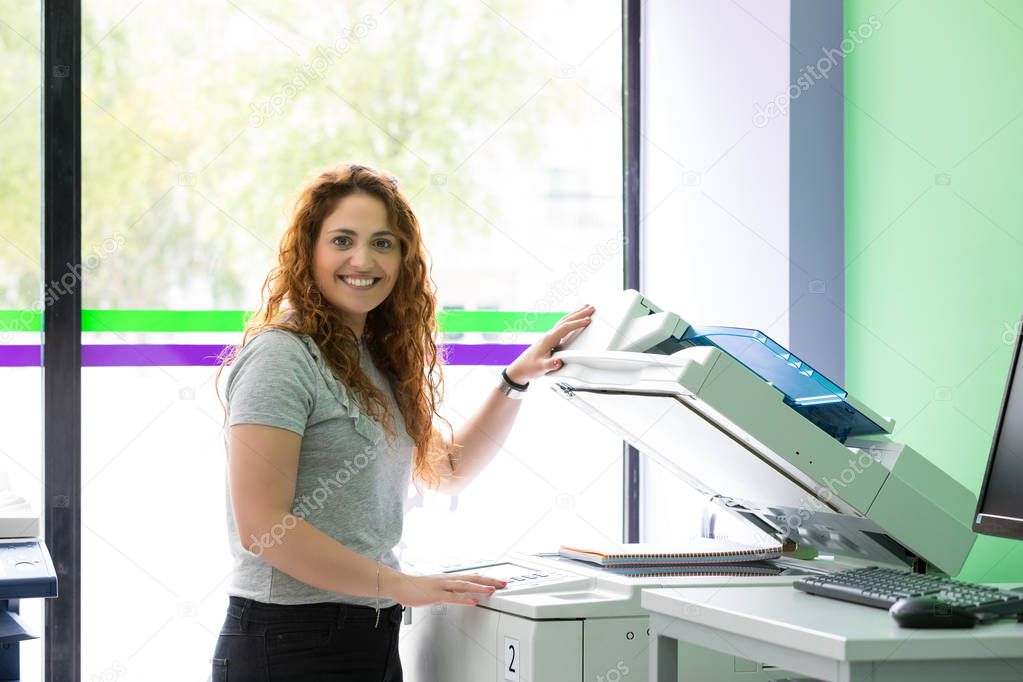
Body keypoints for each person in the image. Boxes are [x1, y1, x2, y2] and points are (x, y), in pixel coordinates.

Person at [210, 163, 595, 681]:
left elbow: (448, 466)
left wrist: (514, 379)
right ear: (310, 250)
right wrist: (398, 583)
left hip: (368, 633)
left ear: (403, 258)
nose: (363, 260)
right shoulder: (282, 356)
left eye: (383, 243)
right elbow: (264, 529)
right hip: (289, 640)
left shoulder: (373, 358)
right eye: (342, 240)